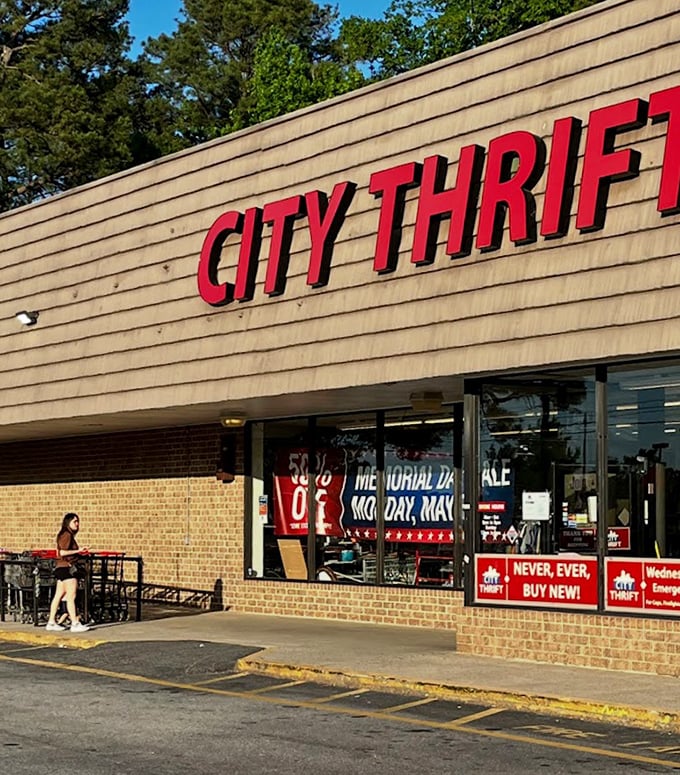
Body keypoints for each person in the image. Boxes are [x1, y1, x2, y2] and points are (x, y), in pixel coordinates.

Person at [46, 513, 90, 633]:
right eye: (75, 521)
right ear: (68, 522)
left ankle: (51, 621)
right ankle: (75, 623)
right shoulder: (67, 535)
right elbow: (62, 552)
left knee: (58, 596)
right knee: (71, 596)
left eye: (78, 521)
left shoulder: (63, 534)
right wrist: (78, 551)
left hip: (61, 568)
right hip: (67, 568)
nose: (77, 524)